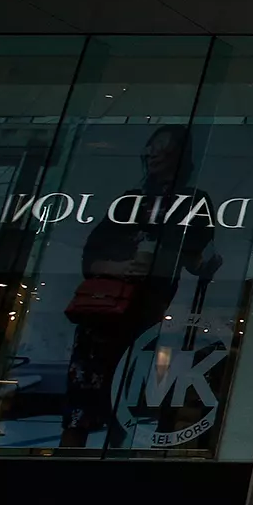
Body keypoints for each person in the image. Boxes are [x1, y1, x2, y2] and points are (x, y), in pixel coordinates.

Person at [61, 125, 222, 448]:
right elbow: (91, 256)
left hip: (146, 312)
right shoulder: (130, 201)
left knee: (127, 387)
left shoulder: (192, 202)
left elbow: (193, 257)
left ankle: (113, 451)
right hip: (106, 310)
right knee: (86, 391)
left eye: (162, 148)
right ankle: (70, 457)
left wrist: (206, 267)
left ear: (178, 156)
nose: (153, 154)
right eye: (151, 148)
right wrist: (121, 267)